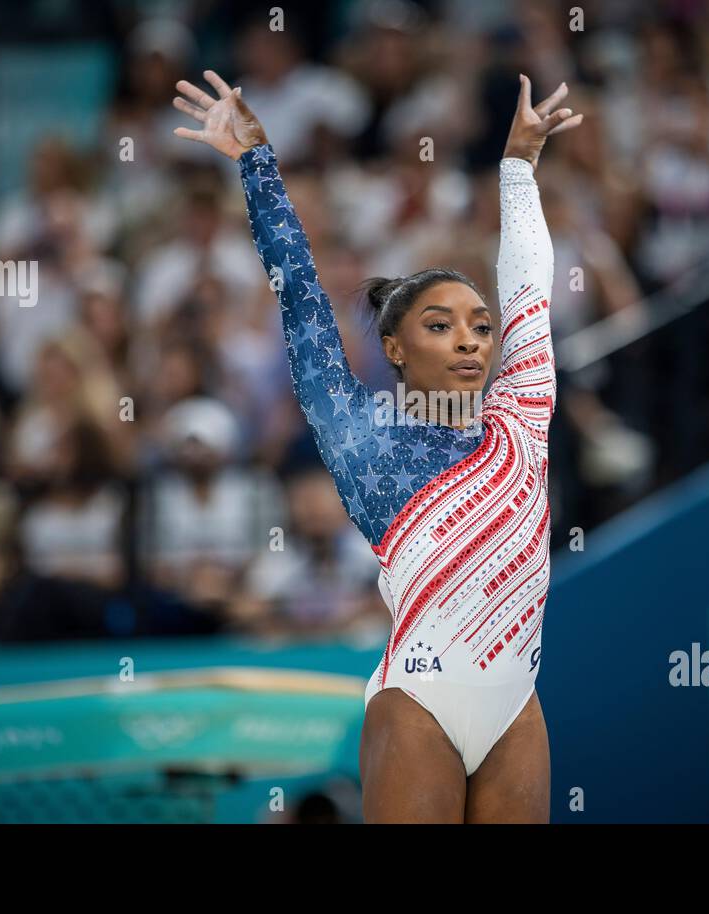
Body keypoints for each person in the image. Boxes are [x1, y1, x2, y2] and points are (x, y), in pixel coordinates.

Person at [173, 68, 580, 822]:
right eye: (440, 326)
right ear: (394, 348)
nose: (470, 340)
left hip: (516, 708)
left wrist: (518, 167)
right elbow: (301, 299)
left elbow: (528, 283)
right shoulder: (364, 438)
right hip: (419, 703)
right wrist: (257, 162)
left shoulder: (522, 412)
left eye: (480, 326)